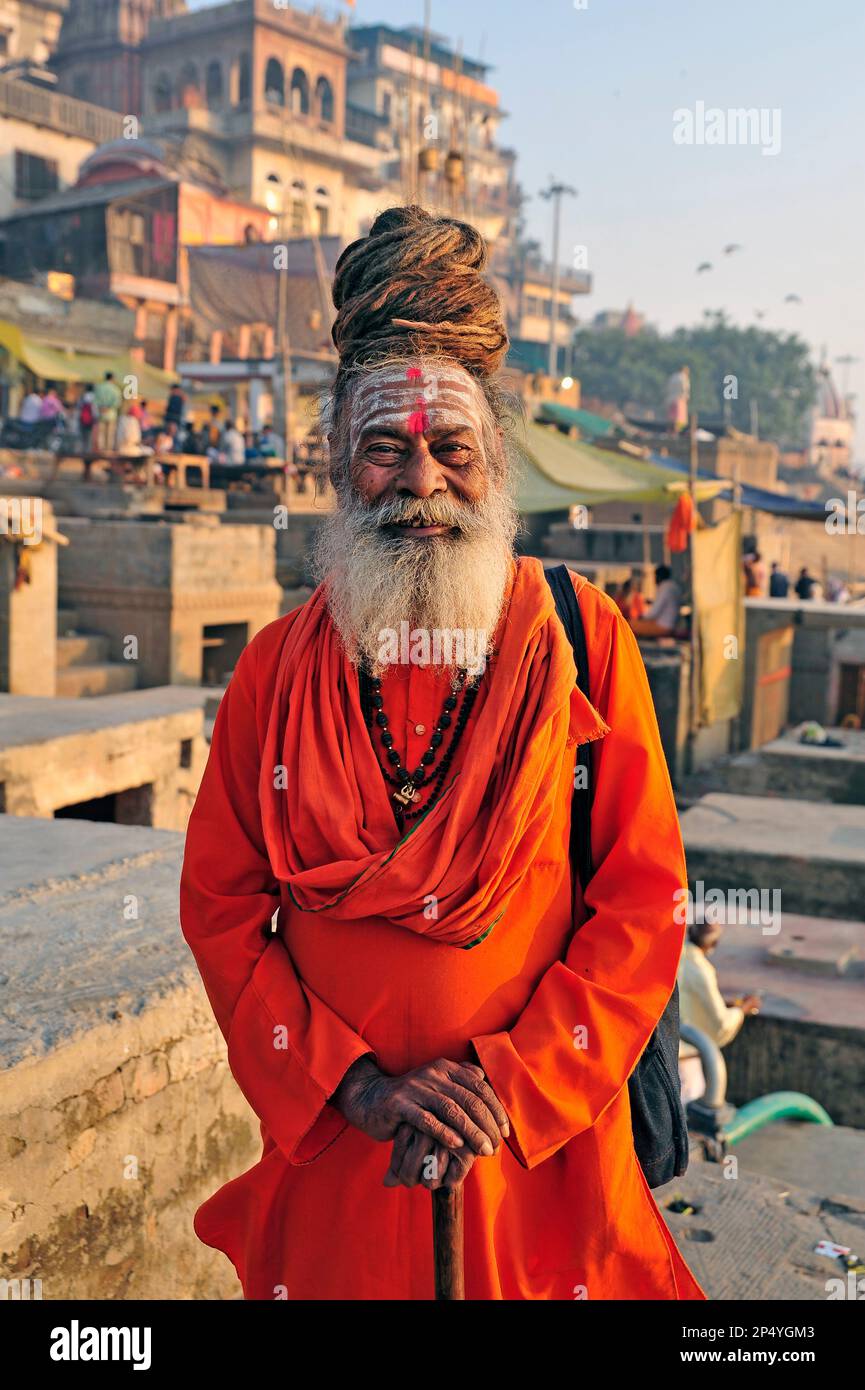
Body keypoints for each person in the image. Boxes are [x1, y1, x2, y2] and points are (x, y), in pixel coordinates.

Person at [180, 205, 704, 1303]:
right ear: (338, 459)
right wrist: (349, 1081)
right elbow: (222, 909)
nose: (420, 481)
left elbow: (643, 898)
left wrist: (512, 1084)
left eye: (449, 447)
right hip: (341, 1169)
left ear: (492, 458)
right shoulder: (275, 670)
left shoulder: (584, 638)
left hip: (538, 1165)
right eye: (385, 447)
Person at [678, 917, 760, 1104]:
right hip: (686, 1061)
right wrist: (743, 1009)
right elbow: (721, 1023)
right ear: (714, 943)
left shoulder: (674, 956)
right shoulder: (701, 969)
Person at [631, 563, 682, 638]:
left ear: (659, 576)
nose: (655, 579)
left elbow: (654, 613)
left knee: (630, 624)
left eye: (655, 576)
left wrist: (641, 617)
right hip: (670, 625)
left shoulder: (665, 587)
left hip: (664, 627)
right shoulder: (673, 586)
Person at [93, 371, 122, 452]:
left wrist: (102, 408)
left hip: (101, 414)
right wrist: (108, 408)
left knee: (101, 434)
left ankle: (101, 450)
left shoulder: (99, 387)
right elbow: (117, 402)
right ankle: (108, 451)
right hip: (111, 414)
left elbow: (95, 401)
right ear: (112, 378)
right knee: (109, 434)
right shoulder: (115, 389)